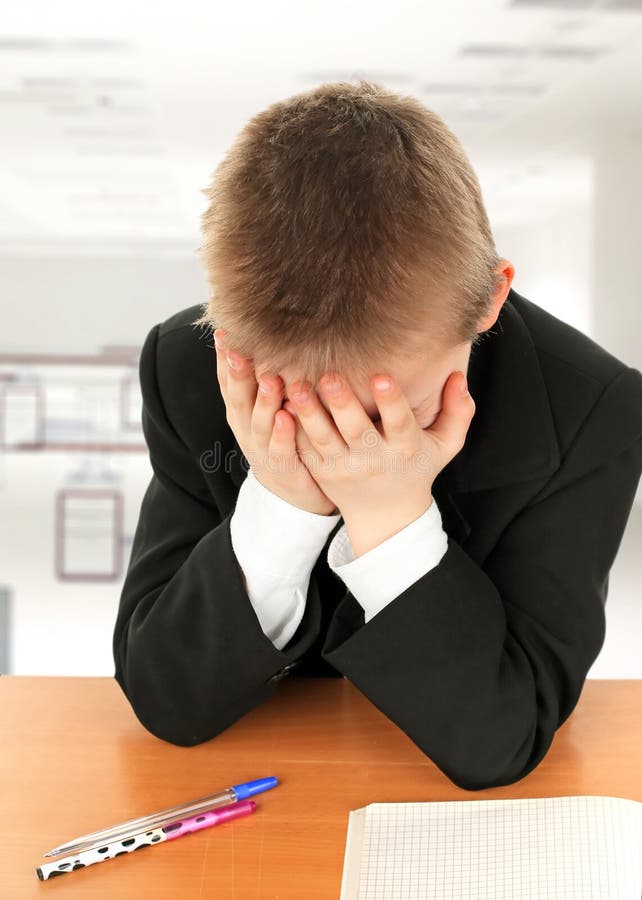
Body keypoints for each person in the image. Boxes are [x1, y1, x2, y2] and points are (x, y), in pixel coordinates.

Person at [112, 80, 642, 791]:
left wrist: (390, 519)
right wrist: (282, 503)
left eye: (392, 407)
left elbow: (503, 738)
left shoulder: (592, 408)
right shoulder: (190, 365)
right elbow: (166, 698)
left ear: (490, 300)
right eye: (298, 398)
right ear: (231, 337)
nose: (340, 438)